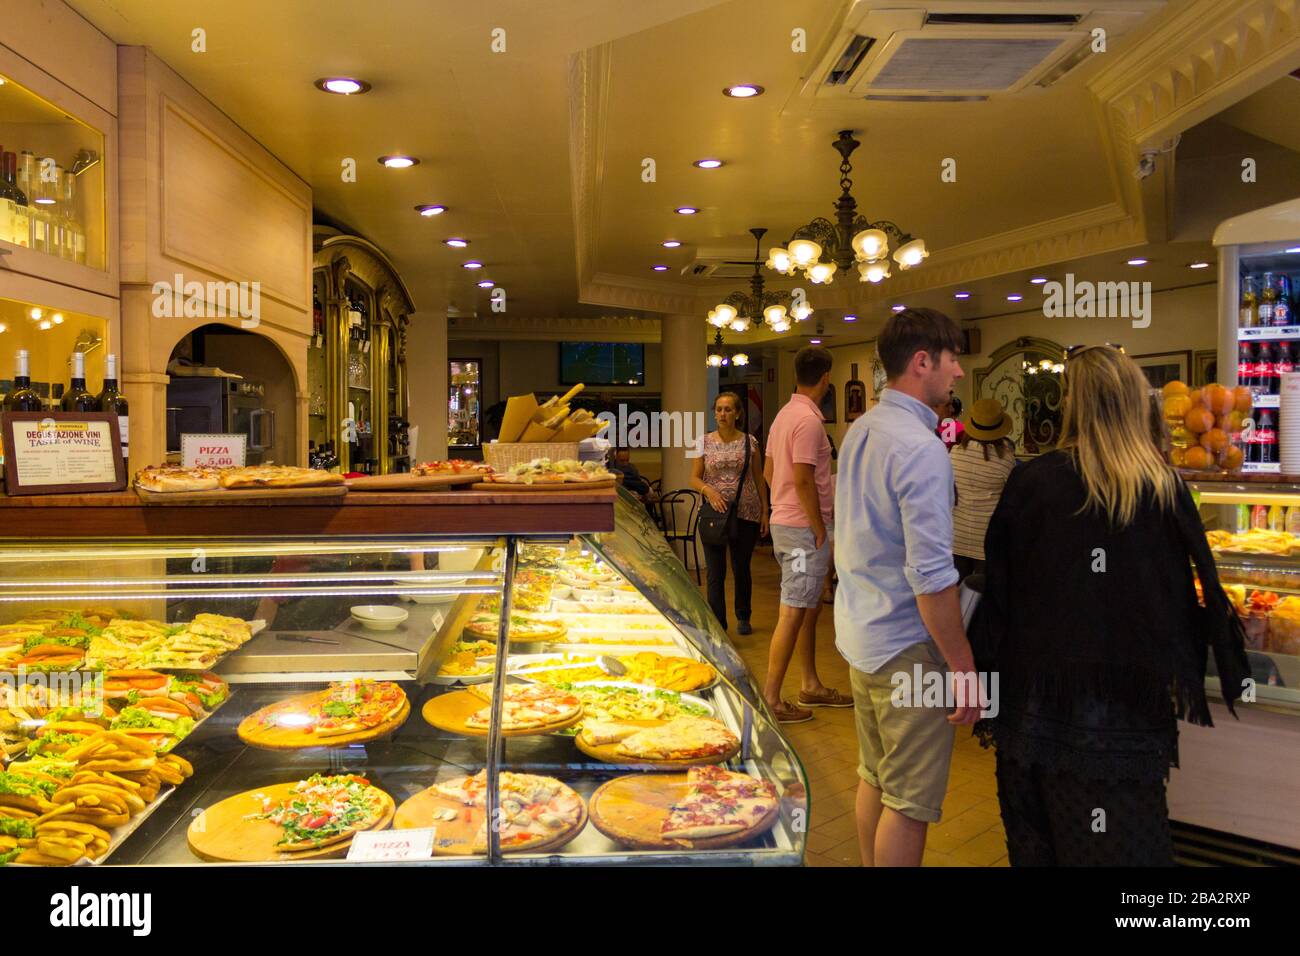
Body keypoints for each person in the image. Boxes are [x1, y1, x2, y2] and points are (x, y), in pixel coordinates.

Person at [971, 344, 1251, 866]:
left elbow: (1001, 593)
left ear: (1071, 406)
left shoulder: (1034, 481)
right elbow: (1181, 596)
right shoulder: (1158, 486)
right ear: (1131, 403)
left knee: (1038, 848)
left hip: (1033, 712)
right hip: (1123, 724)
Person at [834, 307, 978, 867]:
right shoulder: (920, 449)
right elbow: (933, 579)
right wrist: (964, 668)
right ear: (922, 362)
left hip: (860, 634)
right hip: (907, 647)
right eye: (952, 359)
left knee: (875, 777)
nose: (959, 372)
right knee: (910, 803)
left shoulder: (863, 428)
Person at [763, 346, 853, 723]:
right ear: (826, 378)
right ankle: (771, 698)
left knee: (806, 608)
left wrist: (780, 508)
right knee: (793, 610)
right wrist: (818, 528)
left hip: (789, 522)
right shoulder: (809, 421)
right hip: (802, 529)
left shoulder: (785, 415)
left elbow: (769, 472)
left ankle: (810, 684)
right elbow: (802, 478)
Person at [691, 391, 768, 634]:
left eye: (727, 409)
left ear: (737, 414)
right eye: (718, 409)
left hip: (745, 511)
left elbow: (758, 478)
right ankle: (718, 621)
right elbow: (693, 477)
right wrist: (709, 491)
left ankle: (743, 615)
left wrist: (765, 511)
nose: (722, 414)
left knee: (741, 566)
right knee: (715, 570)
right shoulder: (703, 441)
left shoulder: (749, 442)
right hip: (715, 512)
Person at [950, 397, 1016, 582]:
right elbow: (1011, 498)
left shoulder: (954, 453)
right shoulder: (1005, 459)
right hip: (988, 539)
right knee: (983, 598)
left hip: (957, 536)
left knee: (959, 598)